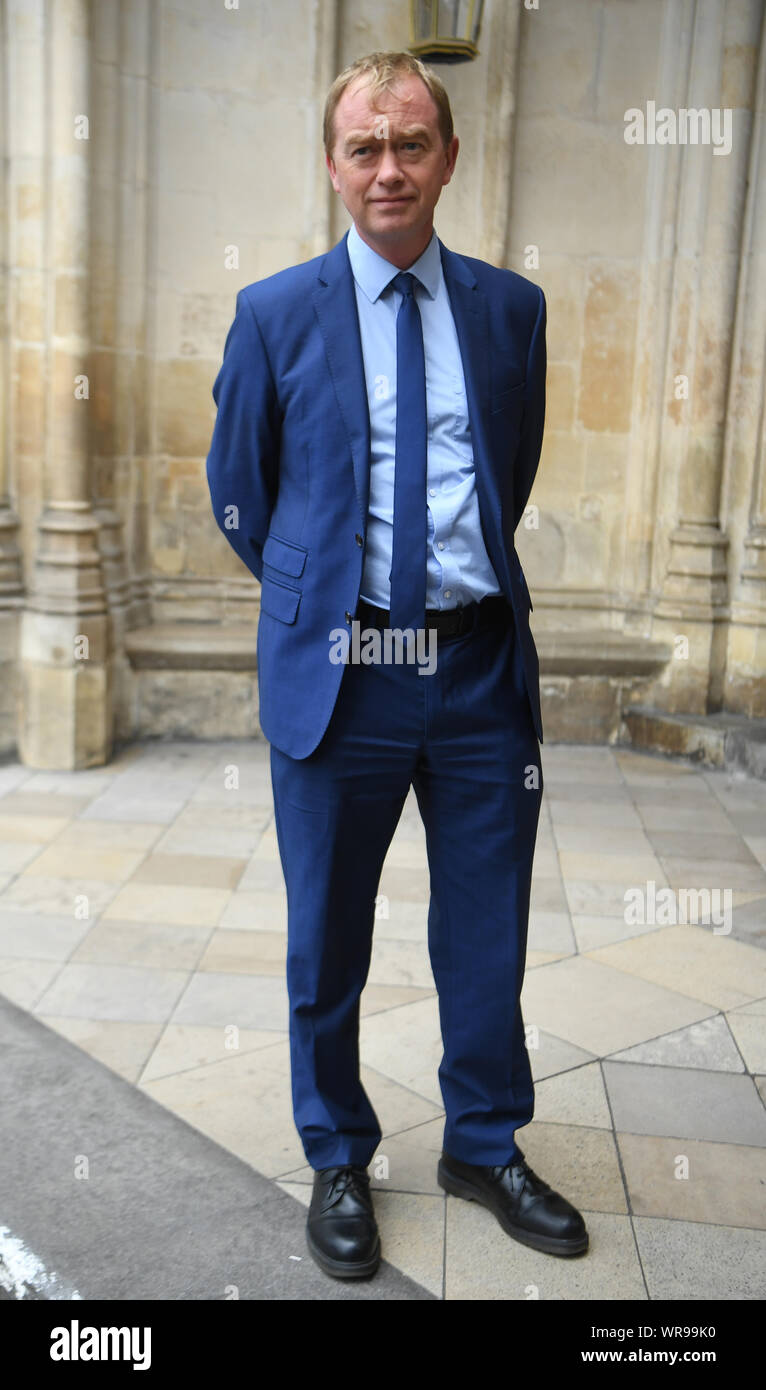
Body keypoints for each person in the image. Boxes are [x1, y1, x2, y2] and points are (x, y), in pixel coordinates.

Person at [206, 49, 588, 1280]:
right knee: (329, 934)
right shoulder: (273, 313)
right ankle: (336, 1154)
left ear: (448, 159)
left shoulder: (509, 310)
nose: (388, 168)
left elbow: (504, 474)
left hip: (476, 673)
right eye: (364, 148)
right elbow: (238, 494)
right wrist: (324, 598)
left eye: (410, 143)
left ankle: (483, 1143)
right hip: (346, 668)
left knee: (486, 925)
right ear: (333, 165)